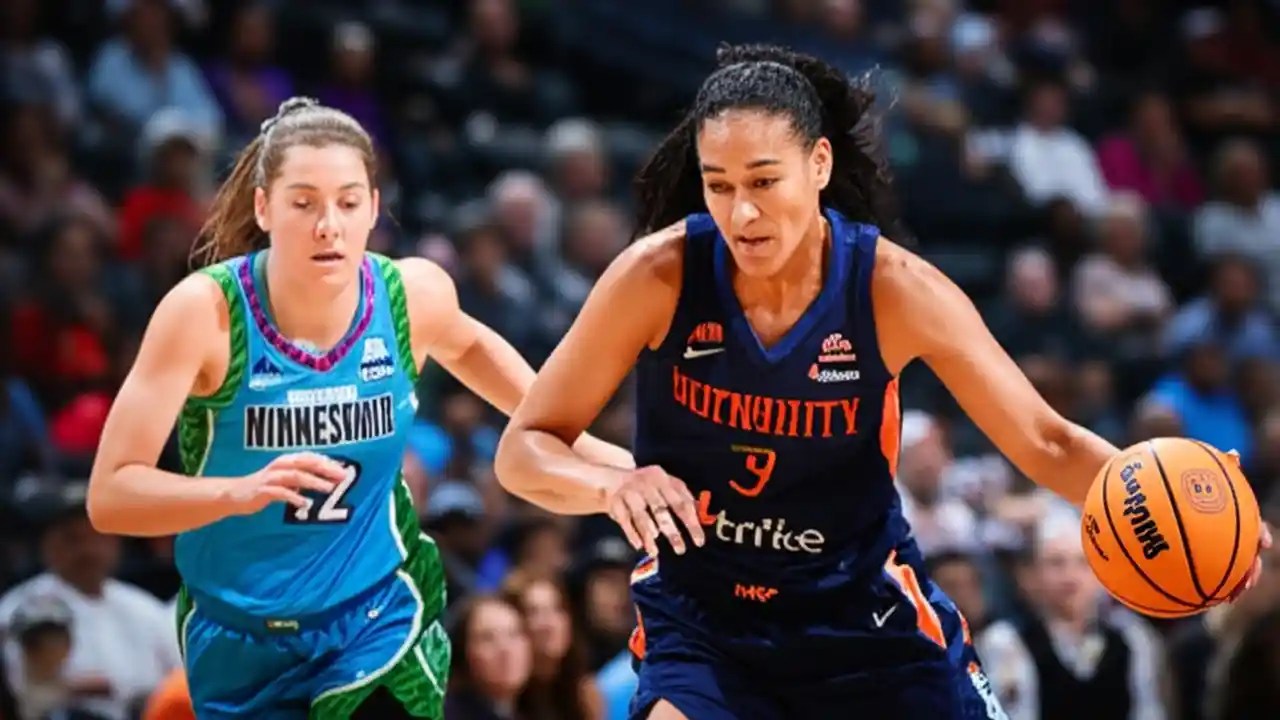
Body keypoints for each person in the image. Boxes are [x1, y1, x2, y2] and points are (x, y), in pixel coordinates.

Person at [493, 44, 1269, 720]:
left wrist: (1199, 513)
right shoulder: (657, 277)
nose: (741, 211)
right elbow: (524, 448)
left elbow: (1043, 438)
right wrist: (608, 488)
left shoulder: (892, 289)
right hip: (705, 617)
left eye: (764, 180)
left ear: (820, 164)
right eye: (718, 184)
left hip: (860, 612)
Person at [86, 97, 632, 719]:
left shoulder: (412, 296)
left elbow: (543, 414)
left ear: (374, 206)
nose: (329, 225)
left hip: (377, 618)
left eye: (348, 202)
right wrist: (238, 492)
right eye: (304, 202)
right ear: (263, 207)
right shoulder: (203, 314)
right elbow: (111, 496)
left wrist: (629, 471)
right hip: (239, 634)